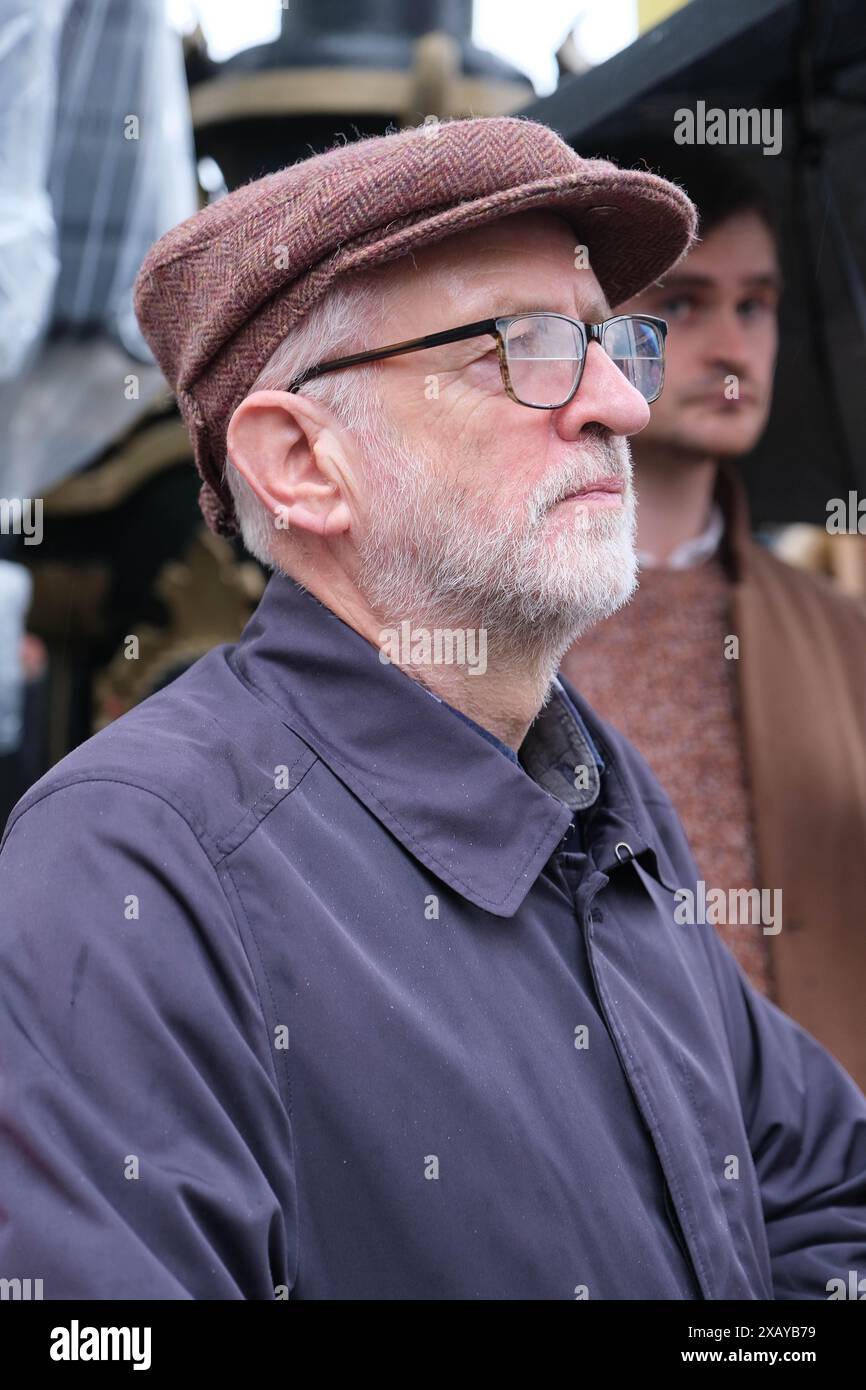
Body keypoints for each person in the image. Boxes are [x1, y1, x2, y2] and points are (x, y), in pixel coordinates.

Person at [0, 117, 864, 1300]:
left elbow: (822, 1191)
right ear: (302, 464)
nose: (616, 400)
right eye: (526, 346)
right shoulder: (131, 860)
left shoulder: (594, 785)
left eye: (610, 343)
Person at [560, 142, 866, 1093]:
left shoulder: (838, 631)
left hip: (821, 1195)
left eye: (756, 304)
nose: (732, 347)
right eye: (684, 304)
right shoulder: (505, 622)